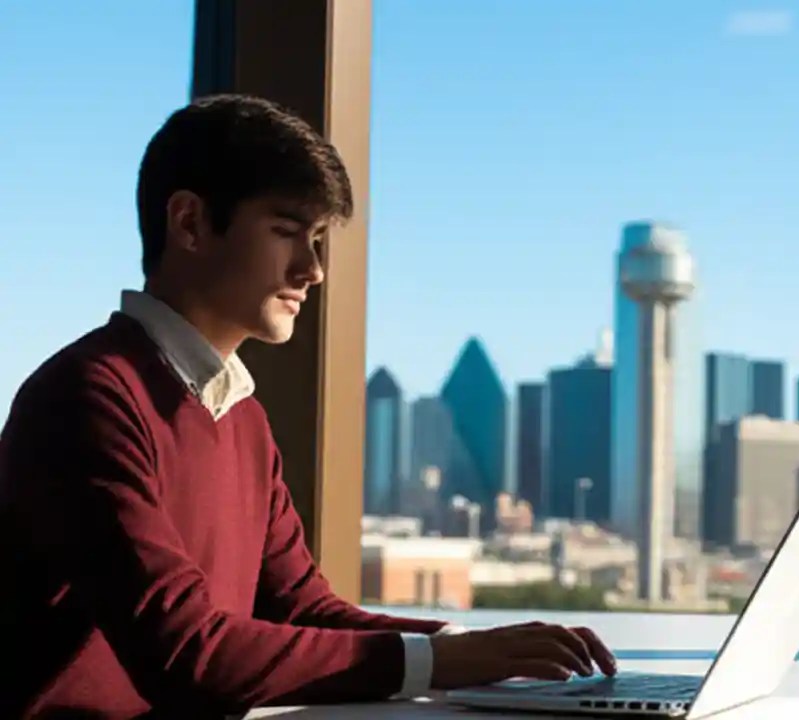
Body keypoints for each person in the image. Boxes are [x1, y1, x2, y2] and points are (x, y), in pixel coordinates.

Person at [0, 94, 616, 719]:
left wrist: (475, 649)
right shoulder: (89, 398)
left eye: (318, 239)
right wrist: (451, 663)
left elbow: (301, 610)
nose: (314, 269)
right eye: (288, 232)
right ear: (188, 223)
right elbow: (187, 653)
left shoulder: (240, 415)